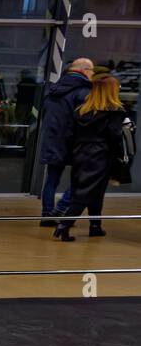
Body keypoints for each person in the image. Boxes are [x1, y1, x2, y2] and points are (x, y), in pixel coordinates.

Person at [50, 72, 128, 241]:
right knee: (87, 193)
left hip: (81, 152)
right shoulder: (114, 112)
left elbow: (71, 134)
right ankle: (64, 226)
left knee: (90, 190)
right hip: (101, 155)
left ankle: (95, 226)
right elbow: (114, 136)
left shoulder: (82, 110)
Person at [38, 58, 94, 225]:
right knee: (80, 180)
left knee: (52, 179)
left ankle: (47, 215)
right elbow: (85, 119)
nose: (93, 75)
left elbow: (45, 114)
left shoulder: (53, 89)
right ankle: (61, 210)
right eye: (92, 71)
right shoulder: (83, 91)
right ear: (84, 70)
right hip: (73, 141)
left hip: (52, 139)